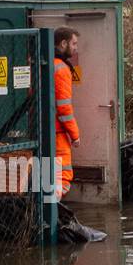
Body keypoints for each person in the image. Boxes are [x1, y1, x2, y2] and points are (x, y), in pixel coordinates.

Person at [53, 27, 81, 198]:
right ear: (63, 43)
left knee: (49, 176)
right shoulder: (61, 68)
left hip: (42, 130)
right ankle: (54, 215)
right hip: (58, 134)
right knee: (62, 178)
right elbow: (64, 108)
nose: (76, 48)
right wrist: (75, 135)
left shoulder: (39, 62)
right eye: (74, 43)